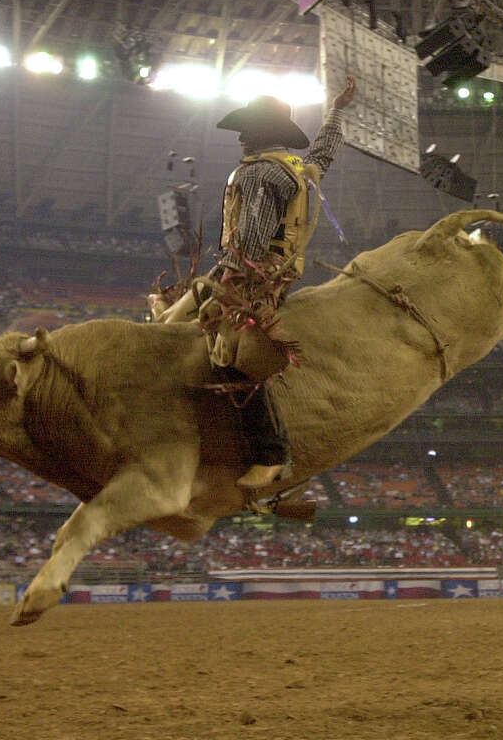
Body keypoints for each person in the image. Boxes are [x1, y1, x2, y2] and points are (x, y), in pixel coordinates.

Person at [153, 77, 357, 490]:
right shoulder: (297, 168)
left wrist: (221, 288)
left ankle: (269, 453)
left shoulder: (259, 174)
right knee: (172, 318)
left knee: (225, 357)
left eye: (248, 129)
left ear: (263, 134)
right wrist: (336, 111)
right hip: (278, 274)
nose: (242, 137)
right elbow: (324, 153)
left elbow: (250, 241)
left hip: (250, 279)